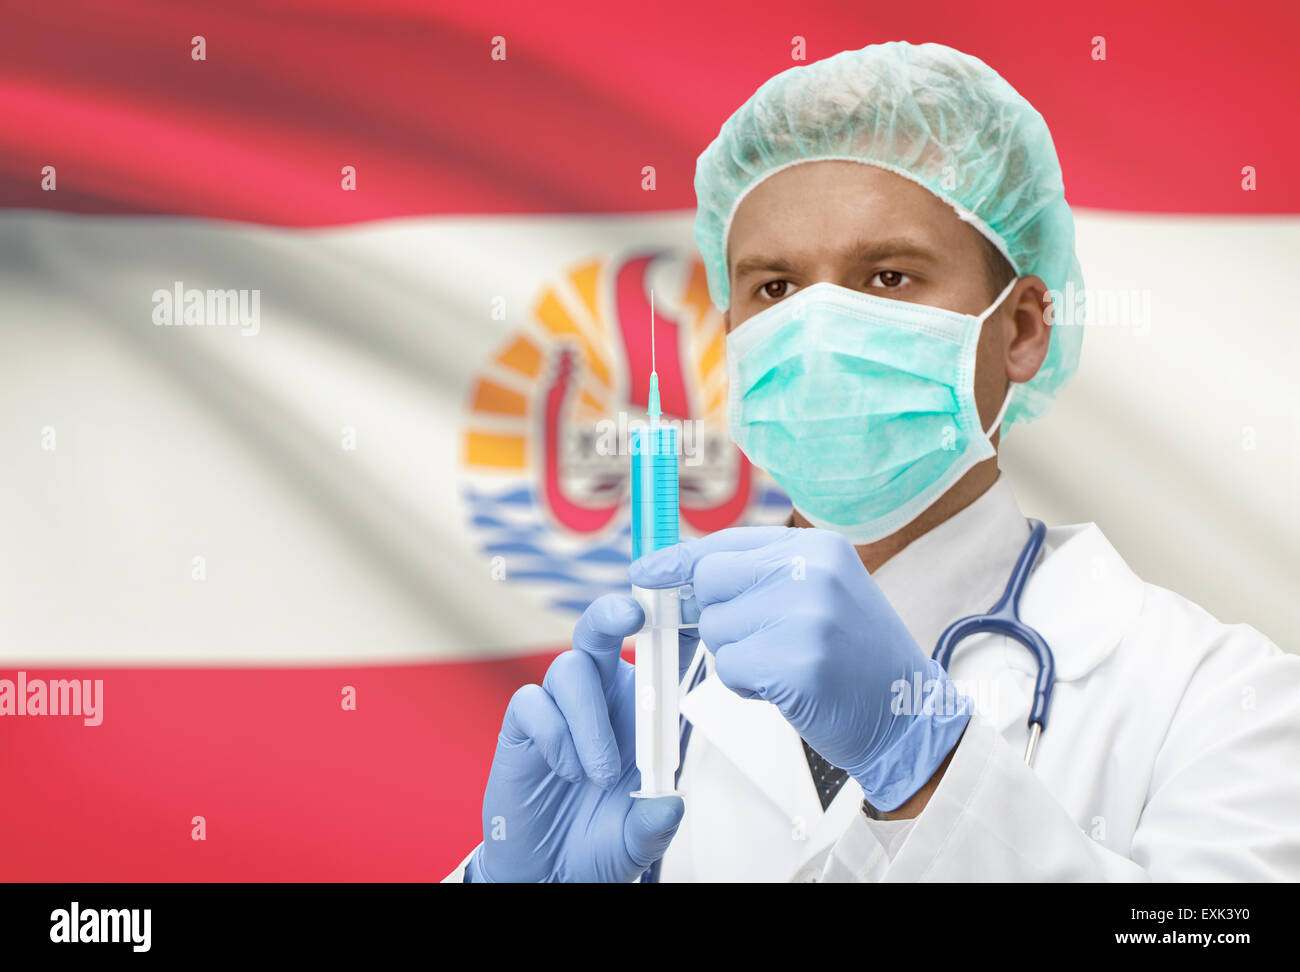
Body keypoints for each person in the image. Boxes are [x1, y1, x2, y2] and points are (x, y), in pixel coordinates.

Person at [444, 41, 1300, 882]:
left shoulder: (1219, 697)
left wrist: (926, 769)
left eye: (888, 277)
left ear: (1025, 328)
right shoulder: (657, 711)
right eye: (774, 287)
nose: (818, 328)